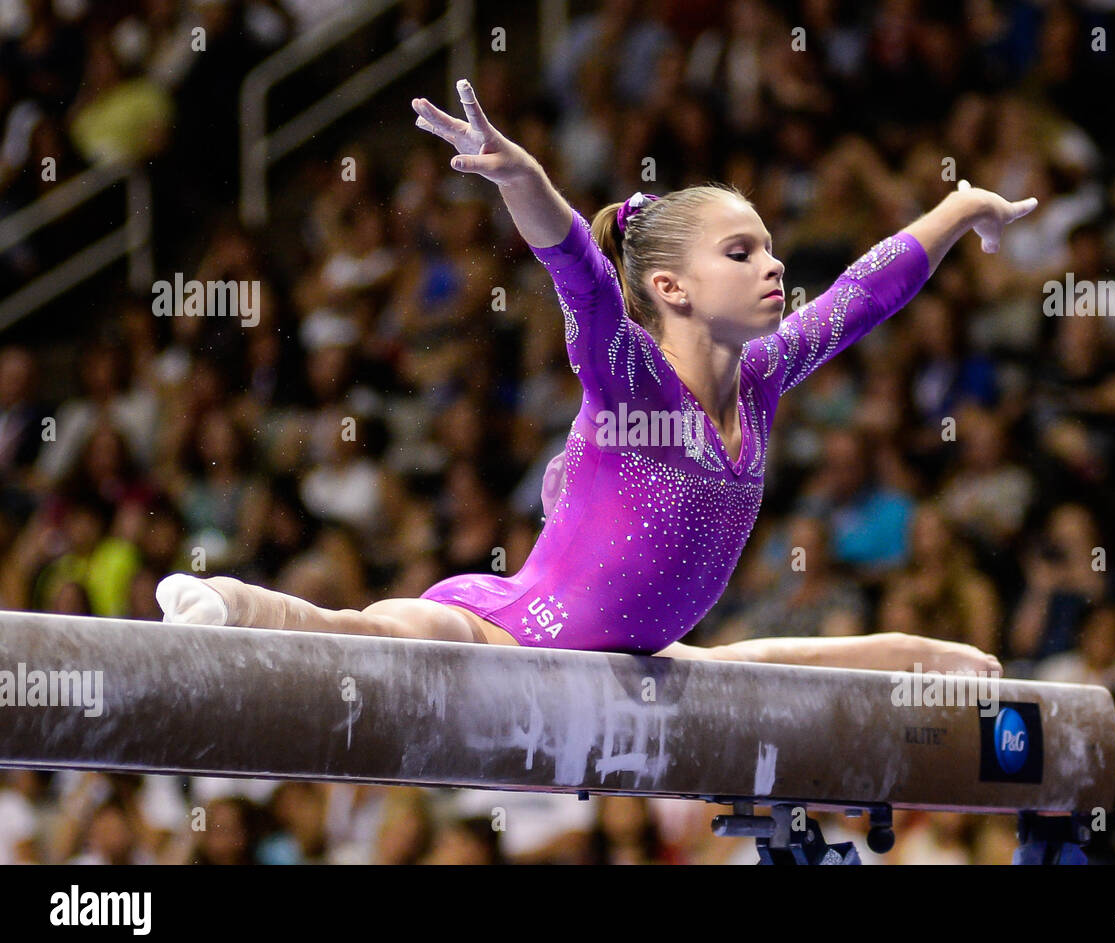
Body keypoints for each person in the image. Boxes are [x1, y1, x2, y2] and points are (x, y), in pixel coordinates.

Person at [155, 78, 1036, 675]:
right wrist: (522, 177)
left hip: (640, 660)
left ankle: (925, 662)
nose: (772, 265)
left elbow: (861, 292)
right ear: (670, 287)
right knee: (385, 638)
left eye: (770, 246)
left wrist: (961, 207)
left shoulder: (762, 372)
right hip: (515, 634)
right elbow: (578, 271)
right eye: (741, 250)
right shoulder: (631, 376)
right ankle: (228, 602)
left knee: (744, 670)